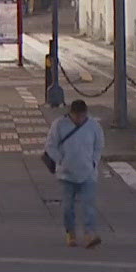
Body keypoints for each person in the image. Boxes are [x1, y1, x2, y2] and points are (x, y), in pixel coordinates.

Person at [44, 99, 105, 248]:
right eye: (77, 116)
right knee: (67, 206)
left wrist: (93, 163)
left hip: (88, 173)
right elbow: (50, 146)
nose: (79, 119)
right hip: (66, 174)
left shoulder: (93, 126)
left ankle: (90, 233)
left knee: (88, 205)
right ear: (71, 114)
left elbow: (99, 146)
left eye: (82, 116)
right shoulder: (59, 125)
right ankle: (70, 232)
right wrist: (61, 161)